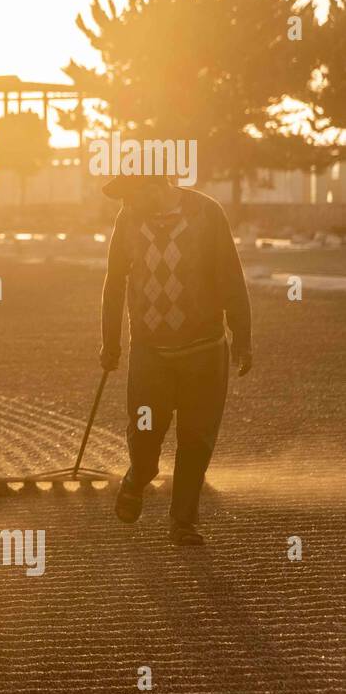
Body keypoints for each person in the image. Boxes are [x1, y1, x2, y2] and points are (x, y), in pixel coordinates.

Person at [99, 172, 252, 546]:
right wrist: (110, 343)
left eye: (132, 195)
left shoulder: (206, 213)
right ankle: (138, 477)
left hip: (205, 351)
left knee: (197, 440)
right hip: (151, 354)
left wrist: (243, 336)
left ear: (157, 186)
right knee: (146, 435)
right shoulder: (129, 217)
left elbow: (231, 276)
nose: (127, 204)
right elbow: (115, 280)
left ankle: (183, 522)